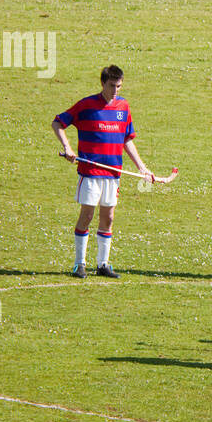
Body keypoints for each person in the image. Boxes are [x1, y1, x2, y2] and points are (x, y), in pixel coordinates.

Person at [51, 65, 152, 278]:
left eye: (119, 86)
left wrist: (141, 167)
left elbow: (126, 139)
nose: (116, 90)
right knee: (87, 215)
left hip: (113, 172)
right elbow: (58, 123)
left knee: (109, 218)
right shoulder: (86, 105)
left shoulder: (123, 106)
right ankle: (80, 264)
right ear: (102, 83)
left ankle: (103, 264)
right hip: (90, 172)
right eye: (112, 86)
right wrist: (68, 148)